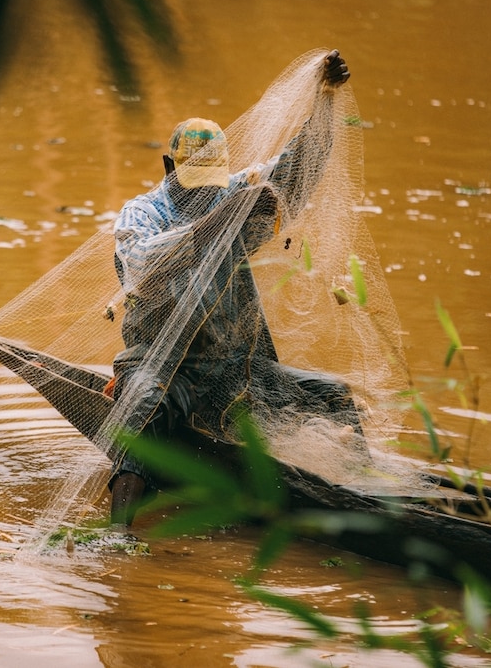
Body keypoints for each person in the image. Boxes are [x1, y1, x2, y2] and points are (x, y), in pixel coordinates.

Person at [107, 50, 361, 528]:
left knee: (334, 397)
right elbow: (142, 263)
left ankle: (362, 491)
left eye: (213, 184)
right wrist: (212, 223)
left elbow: (293, 170)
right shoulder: (142, 214)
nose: (206, 194)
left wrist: (326, 100)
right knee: (142, 411)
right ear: (167, 166)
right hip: (168, 368)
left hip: (235, 369)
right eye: (193, 184)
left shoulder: (233, 195)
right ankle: (117, 536)